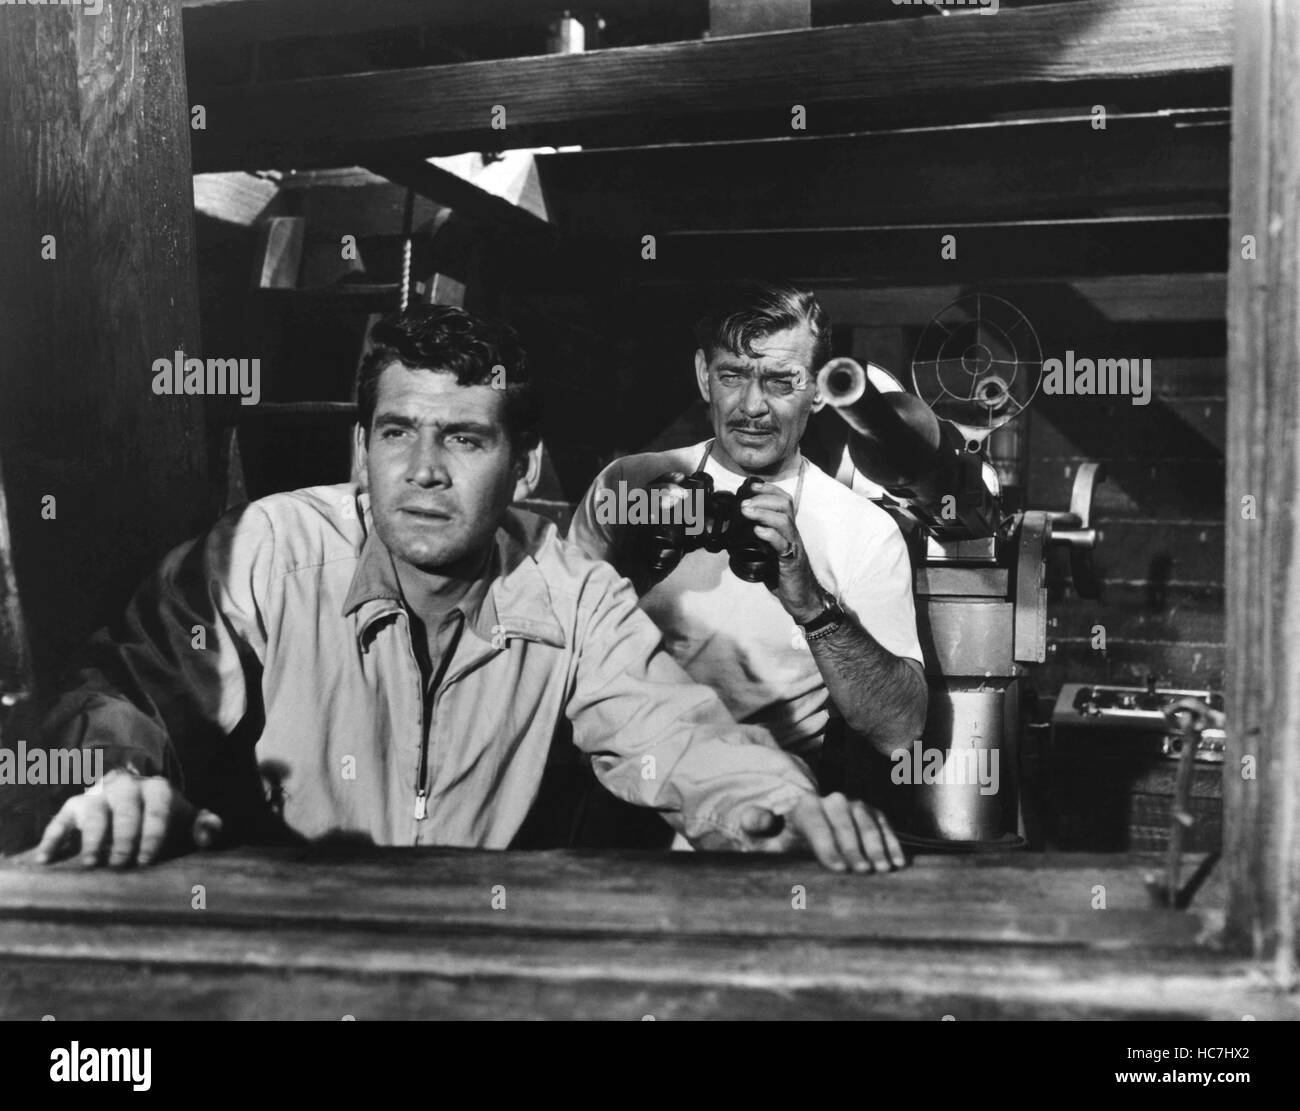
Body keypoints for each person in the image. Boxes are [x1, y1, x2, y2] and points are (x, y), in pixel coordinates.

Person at [33, 305, 906, 875]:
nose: (421, 471)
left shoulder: (569, 589)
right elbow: (117, 689)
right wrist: (114, 781)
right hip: (288, 952)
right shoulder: (269, 550)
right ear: (358, 452)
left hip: (481, 966)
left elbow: (677, 734)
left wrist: (780, 811)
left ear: (523, 466)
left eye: (463, 439)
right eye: (396, 432)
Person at [568, 281, 927, 795]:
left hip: (769, 803)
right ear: (702, 375)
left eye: (781, 381)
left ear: (820, 390)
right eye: (732, 376)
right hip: (620, 791)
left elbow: (900, 731)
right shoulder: (628, 485)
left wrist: (811, 605)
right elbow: (552, 659)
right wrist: (636, 564)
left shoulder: (864, 531)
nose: (752, 406)